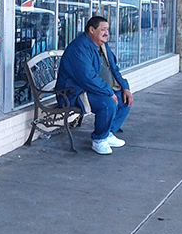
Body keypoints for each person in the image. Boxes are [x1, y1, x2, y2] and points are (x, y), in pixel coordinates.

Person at [56, 15, 134, 155]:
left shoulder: (102, 45)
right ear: (91, 30)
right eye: (103, 29)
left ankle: (107, 132)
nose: (107, 33)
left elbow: (114, 69)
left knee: (125, 99)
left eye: (107, 29)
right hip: (73, 93)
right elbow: (88, 78)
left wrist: (125, 87)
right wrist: (109, 92)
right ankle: (98, 141)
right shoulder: (79, 48)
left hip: (95, 89)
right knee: (108, 104)